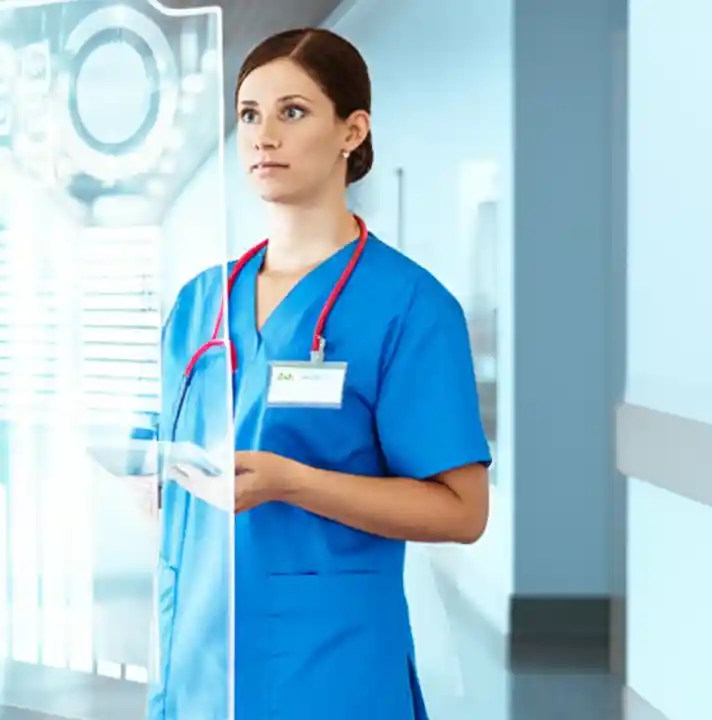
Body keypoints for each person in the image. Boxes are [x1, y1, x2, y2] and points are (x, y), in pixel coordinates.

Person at [146, 27, 492, 719]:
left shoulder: (410, 307)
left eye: (293, 111)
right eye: (249, 114)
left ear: (351, 131)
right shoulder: (199, 302)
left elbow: (463, 510)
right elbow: (163, 473)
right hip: (199, 660)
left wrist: (293, 482)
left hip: (330, 667)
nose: (263, 136)